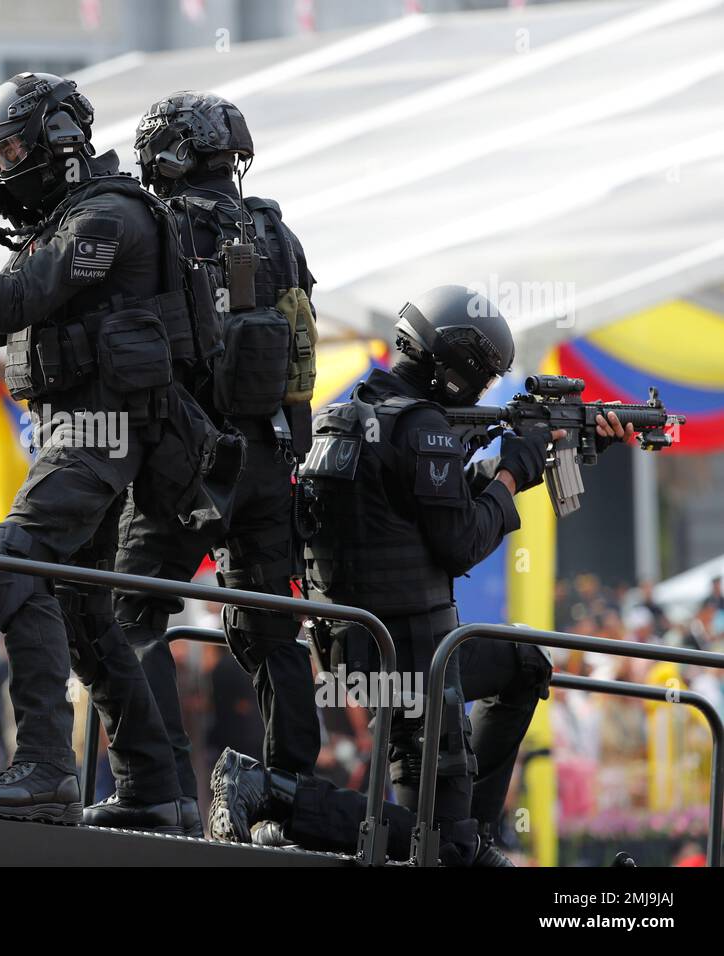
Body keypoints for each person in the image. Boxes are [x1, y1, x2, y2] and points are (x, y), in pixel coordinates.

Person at [0, 72, 223, 830]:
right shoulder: (73, 214)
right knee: (83, 609)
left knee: (13, 558)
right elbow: (8, 321)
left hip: (105, 431)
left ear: (61, 136)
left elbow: (11, 305)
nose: (6, 165)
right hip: (82, 431)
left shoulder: (107, 217)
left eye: (12, 148)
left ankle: (45, 771)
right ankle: (154, 789)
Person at [207, 286, 637, 864]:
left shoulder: (350, 414)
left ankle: (469, 839)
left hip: (365, 650)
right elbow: (460, 541)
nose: (485, 388)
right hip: (414, 657)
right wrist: (512, 475)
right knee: (434, 846)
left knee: (522, 664)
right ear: (456, 366)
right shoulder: (422, 428)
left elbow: (425, 504)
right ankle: (278, 796)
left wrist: (547, 454)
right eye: (482, 375)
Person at [108, 91, 319, 835]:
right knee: (272, 632)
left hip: (188, 460)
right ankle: (294, 798)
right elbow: (300, 344)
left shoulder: (159, 226)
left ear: (168, 155)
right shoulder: (275, 228)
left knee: (125, 611)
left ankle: (157, 790)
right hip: (271, 455)